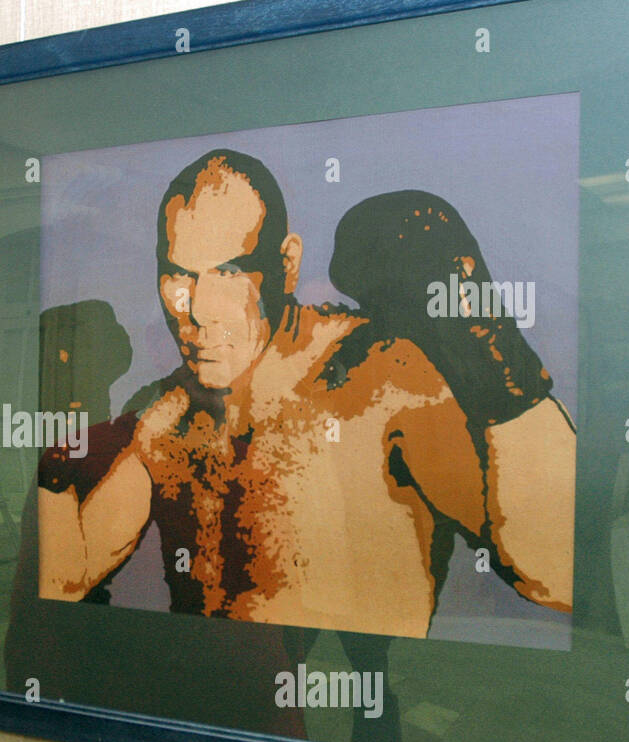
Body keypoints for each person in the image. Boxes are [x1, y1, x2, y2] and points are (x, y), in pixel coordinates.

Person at [37, 149, 574, 641]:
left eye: (227, 272)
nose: (194, 311)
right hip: (217, 719)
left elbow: (554, 577)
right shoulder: (169, 413)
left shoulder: (382, 375)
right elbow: (68, 576)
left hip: (347, 727)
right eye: (177, 276)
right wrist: (60, 433)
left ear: (287, 264)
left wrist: (495, 359)